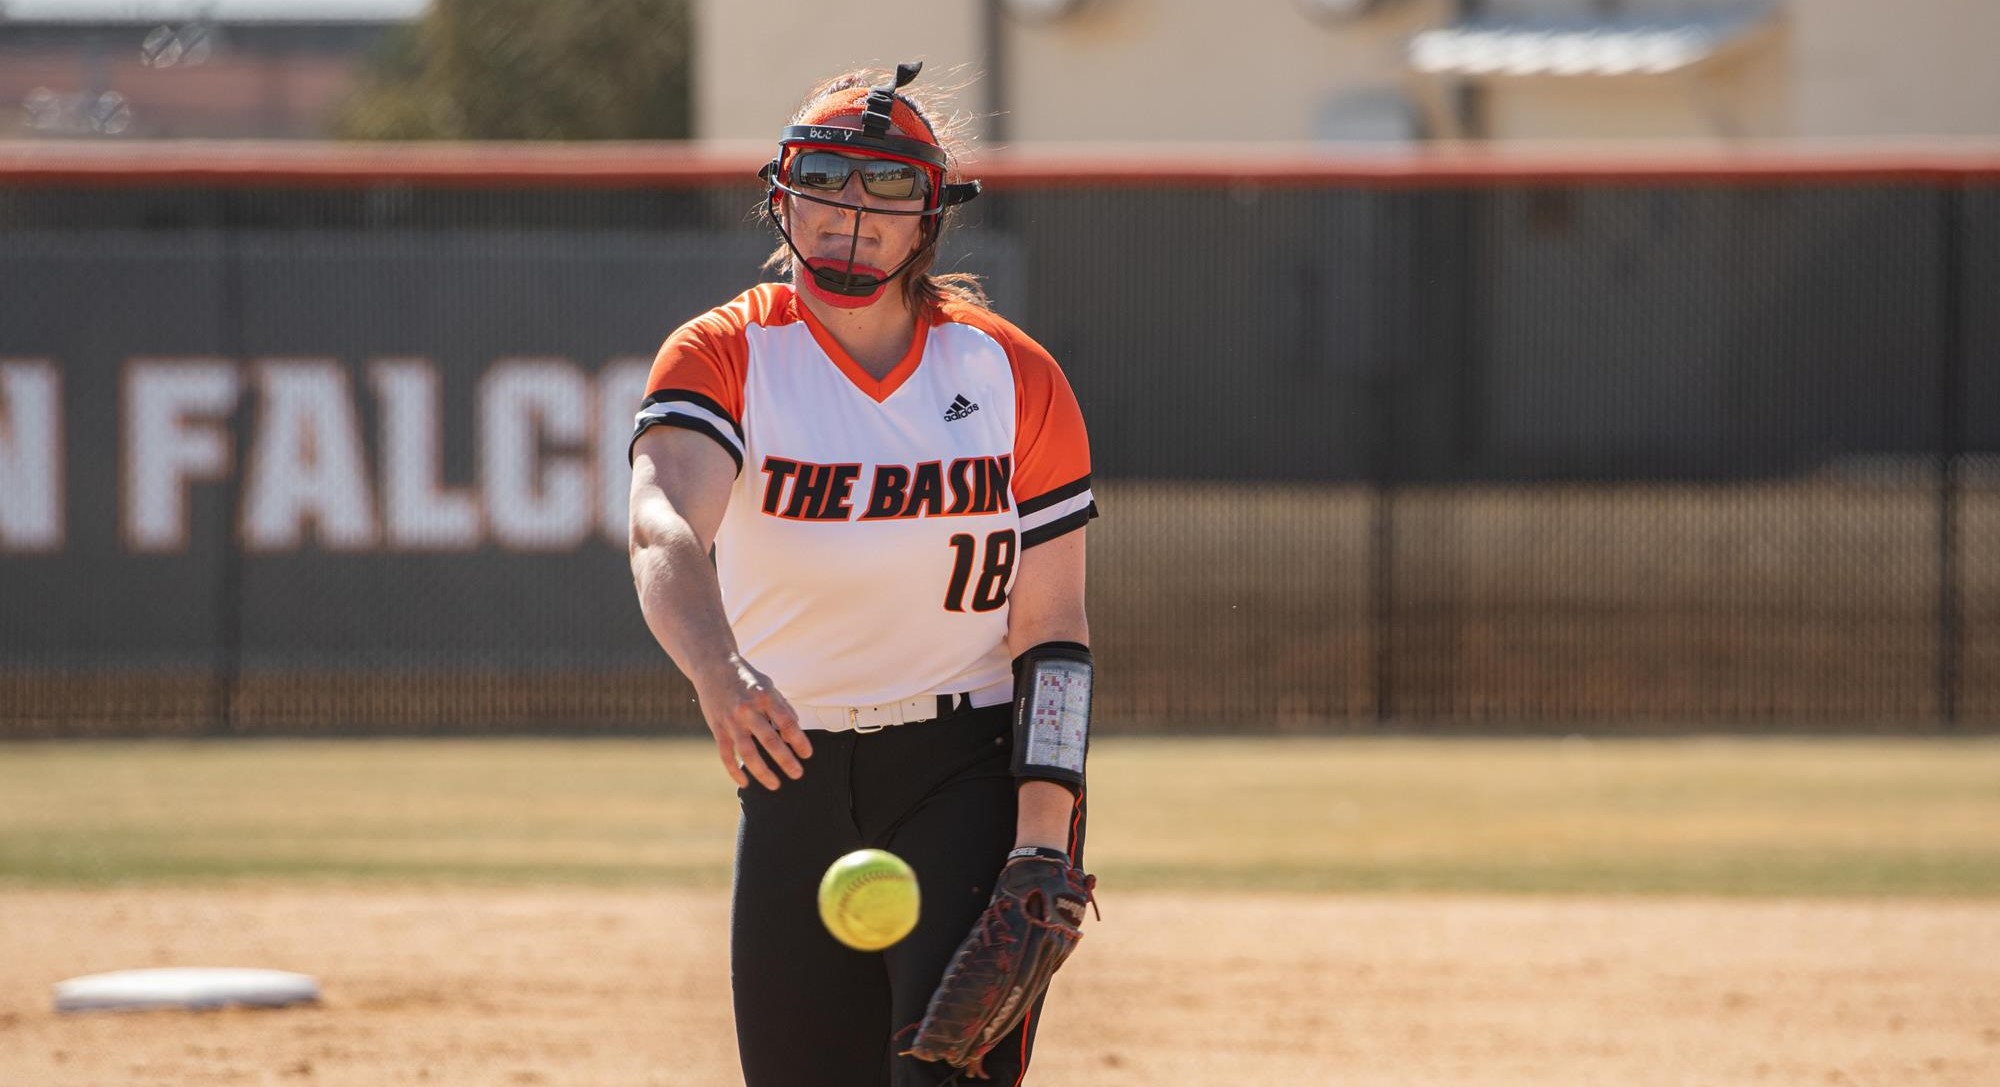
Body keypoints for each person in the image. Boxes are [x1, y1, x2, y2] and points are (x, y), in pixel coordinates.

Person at [627, 63, 1099, 1086]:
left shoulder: (1010, 375)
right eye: (824, 184)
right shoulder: (725, 355)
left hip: (966, 770)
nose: (850, 217)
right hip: (791, 773)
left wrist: (1040, 836)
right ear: (779, 196)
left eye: (883, 191)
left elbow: (1053, 632)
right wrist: (715, 666)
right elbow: (661, 524)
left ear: (927, 220)